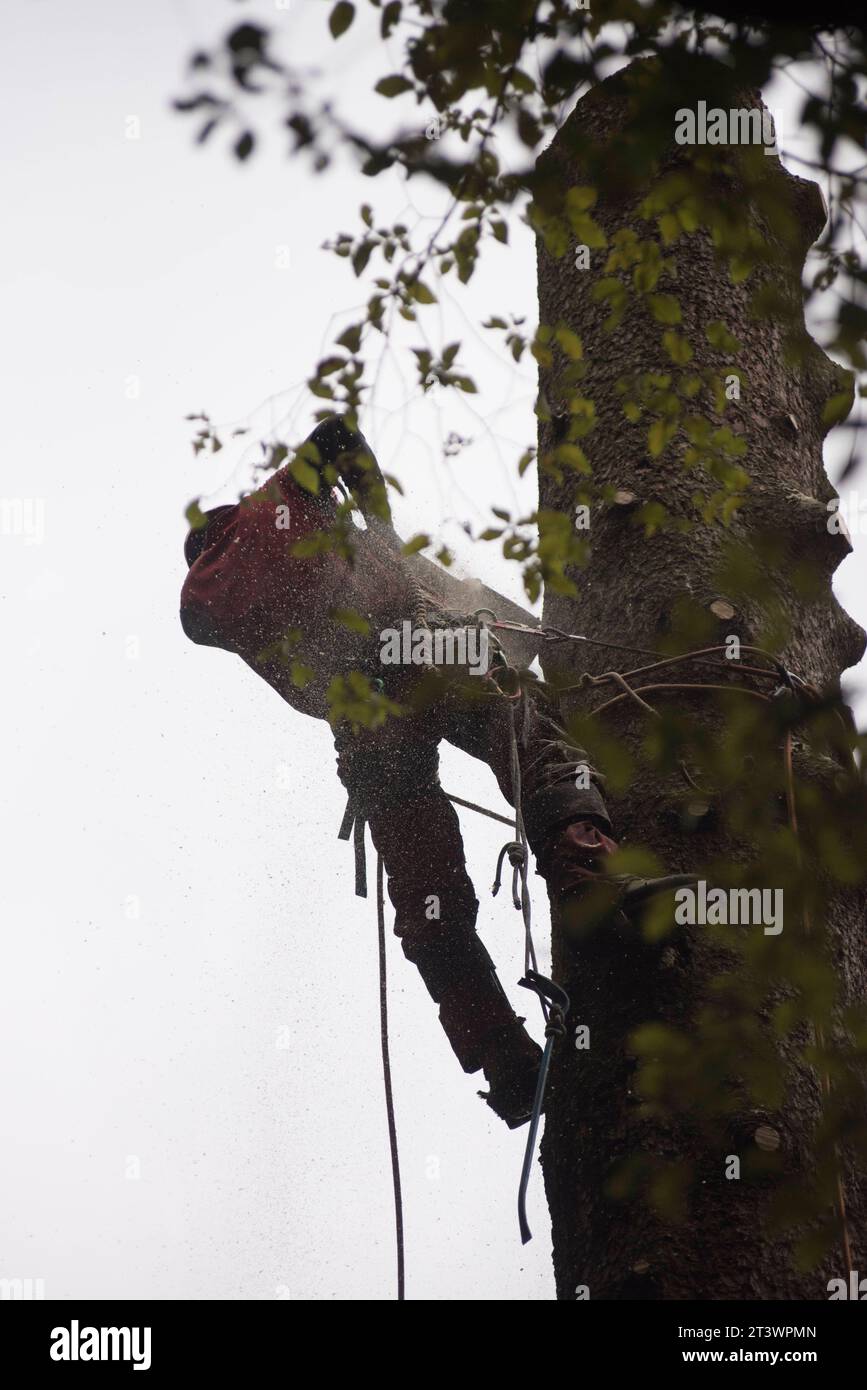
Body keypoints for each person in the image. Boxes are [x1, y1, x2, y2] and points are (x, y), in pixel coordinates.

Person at [180, 416, 672, 1126]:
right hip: (421, 646)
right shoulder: (278, 511)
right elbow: (338, 433)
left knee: (427, 897)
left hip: (368, 732)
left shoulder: (210, 612)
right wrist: (379, 533)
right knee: (531, 735)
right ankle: (586, 872)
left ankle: (503, 1060)